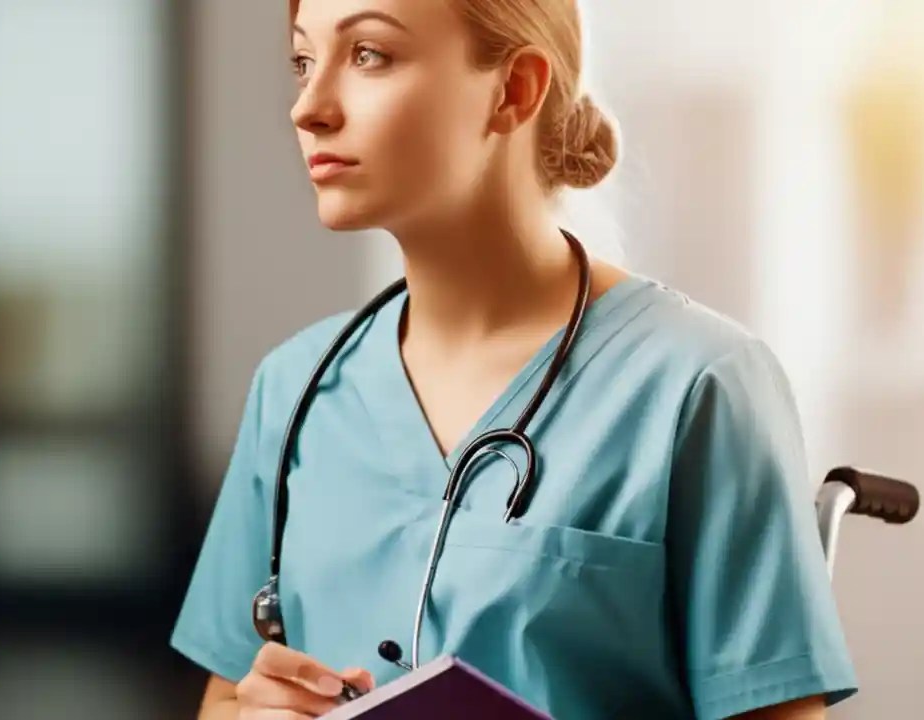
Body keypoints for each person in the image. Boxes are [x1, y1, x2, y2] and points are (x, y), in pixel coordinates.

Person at [171, 0, 857, 717]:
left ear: (514, 91)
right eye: (304, 61)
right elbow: (226, 690)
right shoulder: (295, 387)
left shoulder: (698, 385)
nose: (308, 108)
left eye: (370, 55)